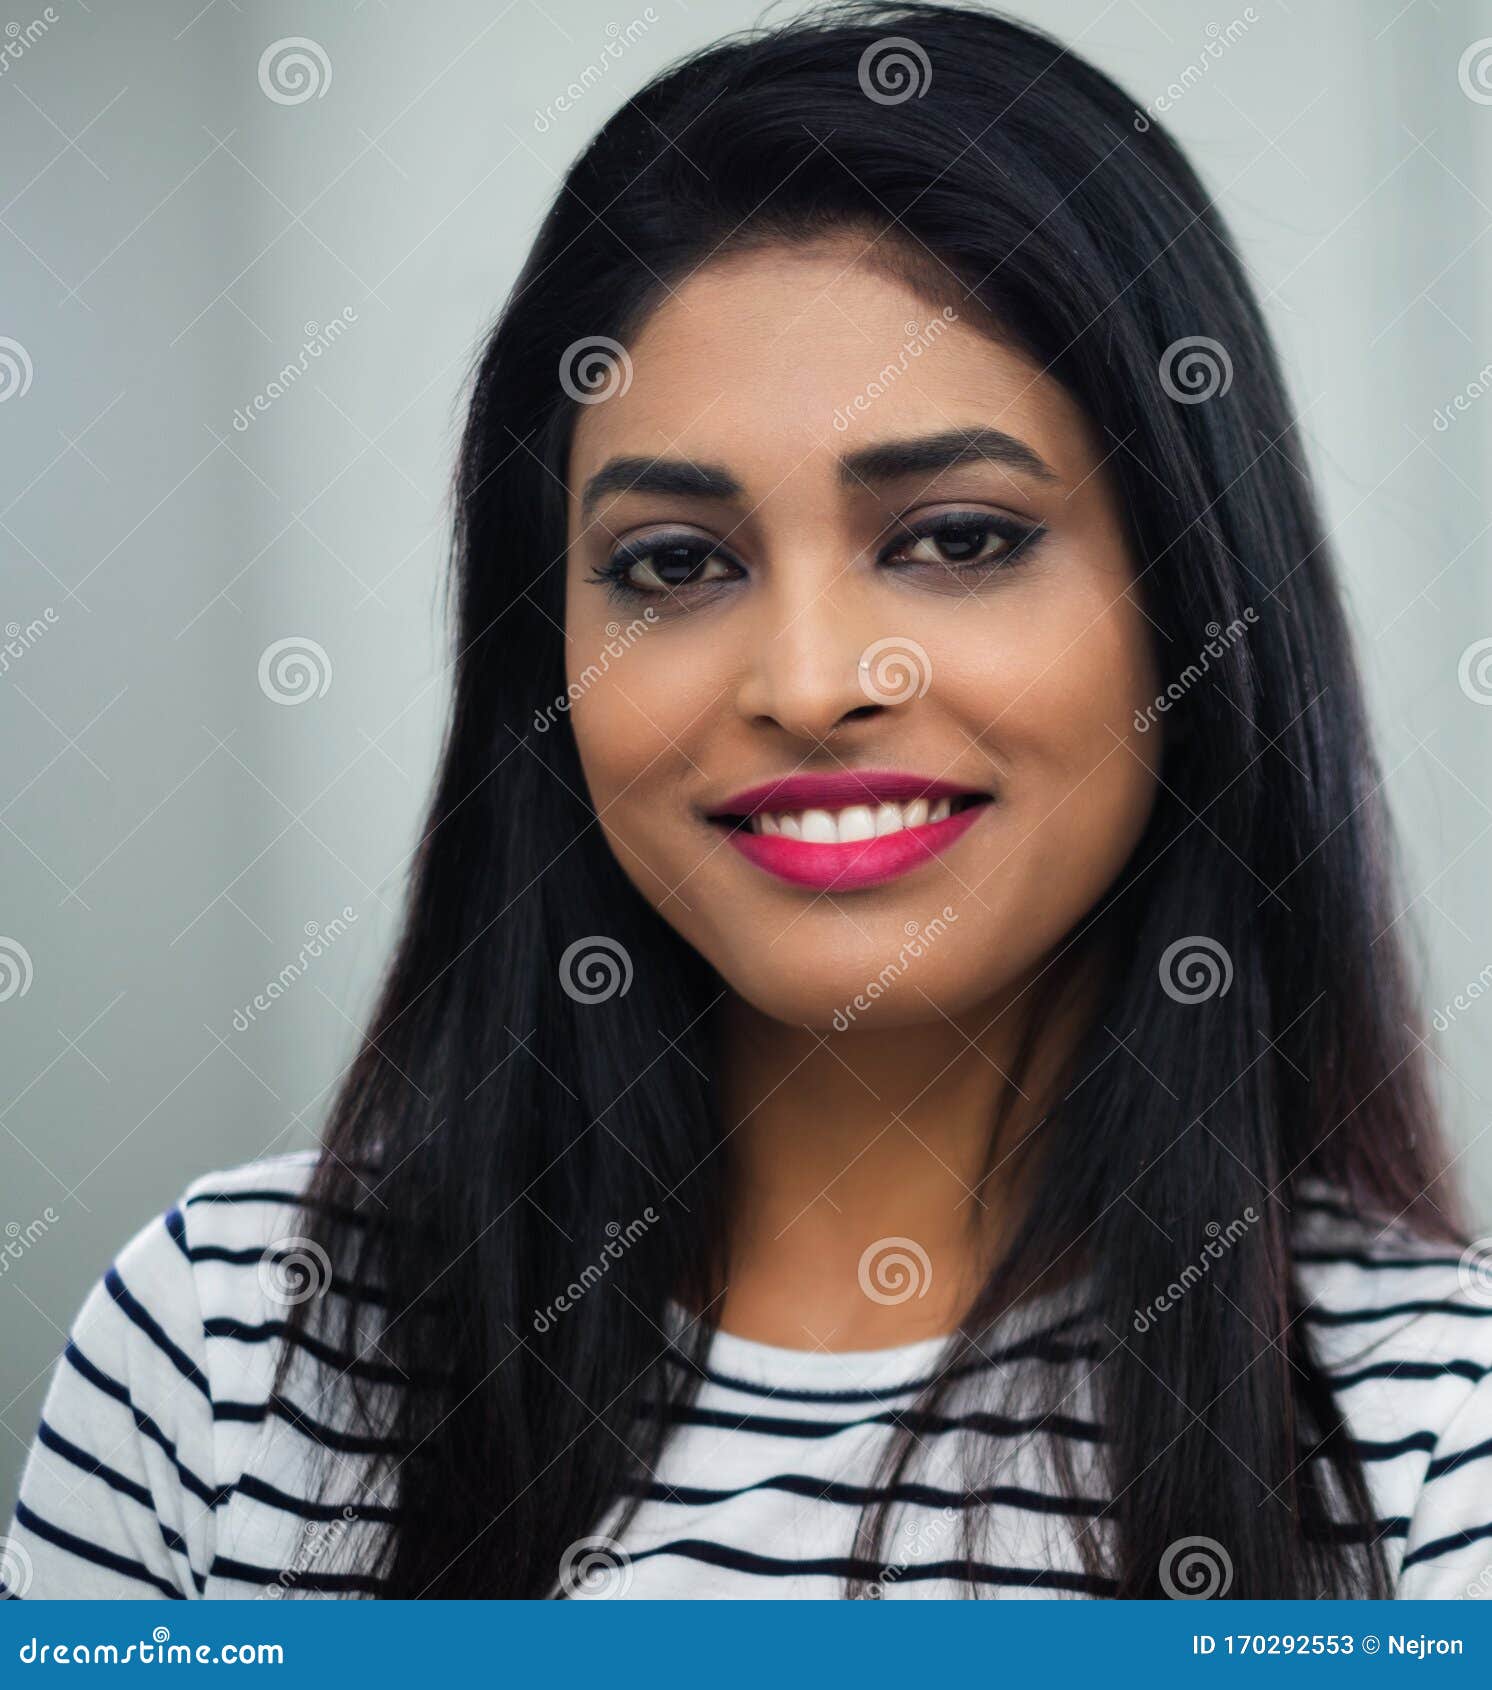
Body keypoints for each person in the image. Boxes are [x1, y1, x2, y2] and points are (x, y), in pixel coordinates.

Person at [7, 0, 1491, 1601]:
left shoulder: (1438, 1434)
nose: (807, 679)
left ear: (1191, 600)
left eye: (960, 537)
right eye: (676, 564)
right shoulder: (230, 1349)